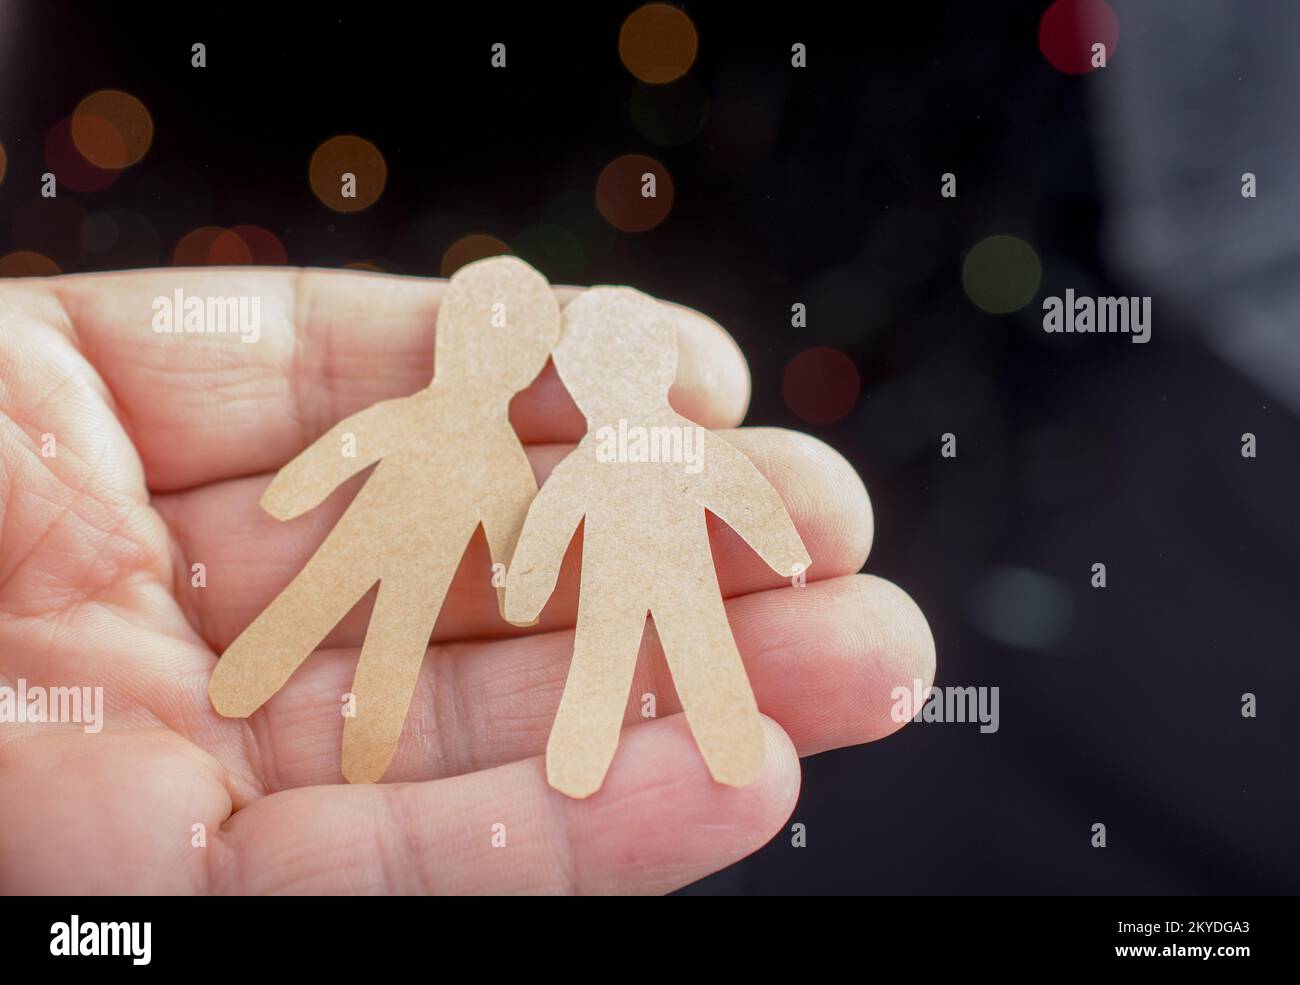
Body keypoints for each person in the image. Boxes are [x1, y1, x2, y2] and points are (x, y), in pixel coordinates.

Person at [0, 266, 933, 893]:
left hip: (553, 557)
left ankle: (633, 744)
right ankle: (651, 738)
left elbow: (528, 515)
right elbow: (503, 510)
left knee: (391, 629)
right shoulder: (527, 447)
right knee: (418, 635)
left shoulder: (543, 451)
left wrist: (523, 578)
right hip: (420, 538)